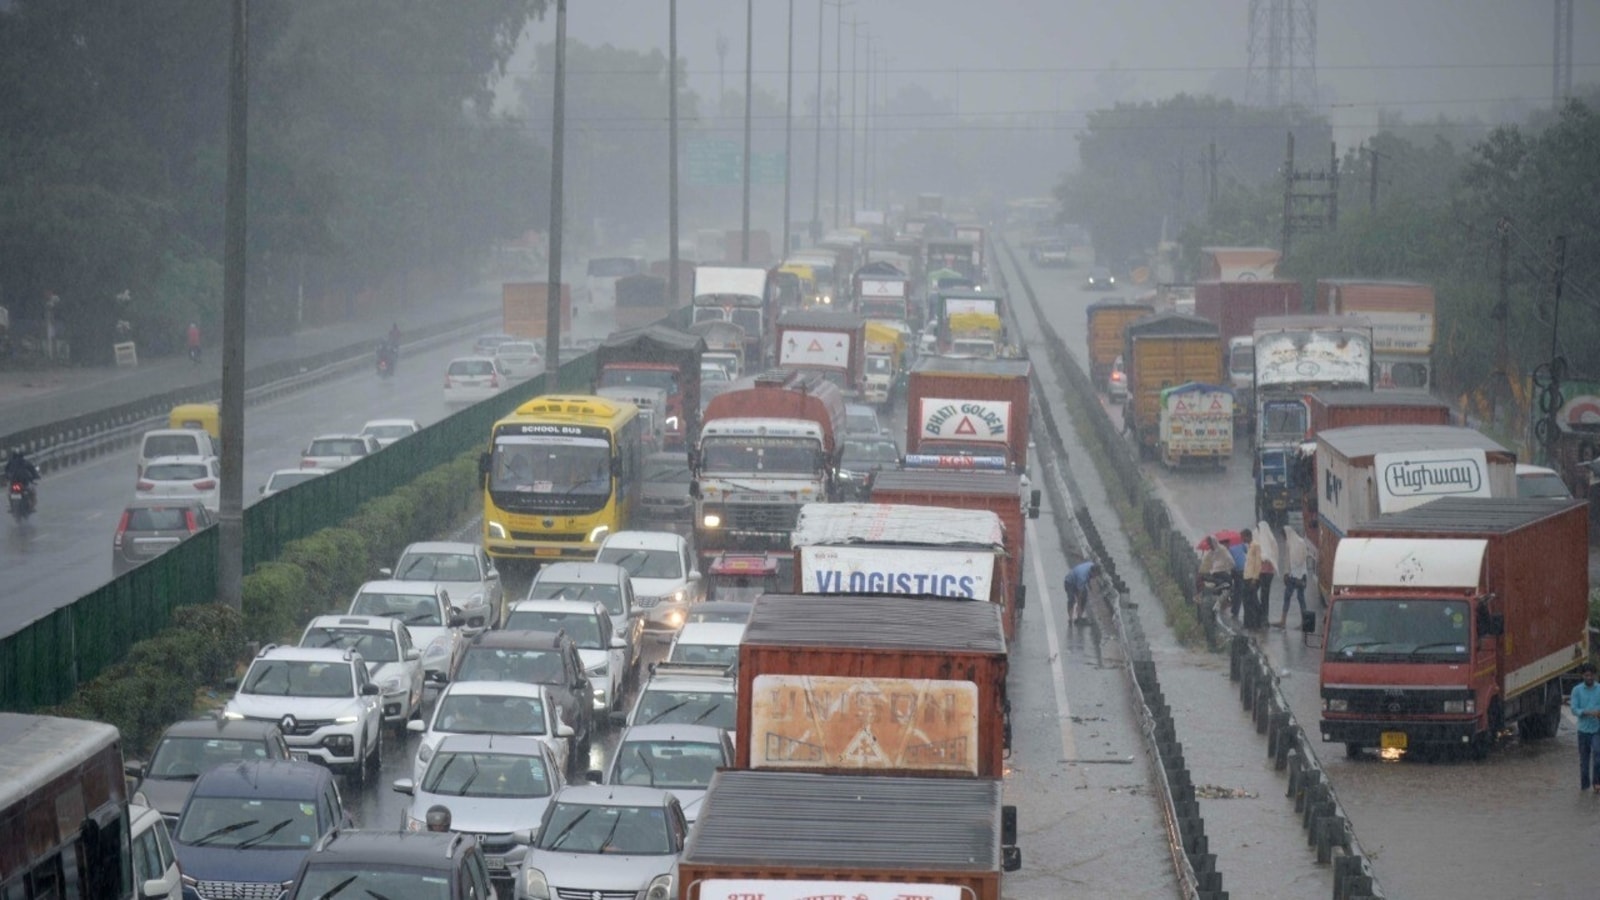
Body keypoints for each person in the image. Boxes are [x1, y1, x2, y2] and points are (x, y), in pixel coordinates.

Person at [1573, 663, 1600, 792]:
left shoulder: (1599, 689)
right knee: (1584, 762)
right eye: (1586, 675)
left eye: (1591, 675)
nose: (1589, 677)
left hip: (1597, 729)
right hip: (1583, 730)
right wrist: (1588, 712)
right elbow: (1574, 708)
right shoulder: (1577, 690)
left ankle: (1597, 783)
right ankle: (1584, 787)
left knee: (1598, 756)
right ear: (1582, 676)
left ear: (1594, 675)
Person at [1278, 528, 1310, 629]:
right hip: (1299, 575)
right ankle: (1303, 621)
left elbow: (1290, 560)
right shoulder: (1299, 542)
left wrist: (1287, 574)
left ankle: (1283, 621)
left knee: (1289, 598)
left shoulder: (1292, 544)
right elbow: (1302, 558)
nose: (1283, 538)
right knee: (1300, 598)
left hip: (1294, 576)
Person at [1253, 521, 1278, 629]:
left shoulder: (1262, 539)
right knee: (1264, 595)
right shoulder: (1270, 538)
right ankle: (1263, 616)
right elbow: (1275, 552)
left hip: (1263, 572)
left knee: (1260, 594)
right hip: (1269, 572)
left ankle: (1262, 616)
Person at [1241, 528, 1263, 628]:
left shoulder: (1256, 546)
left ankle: (1257, 623)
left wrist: (1255, 578)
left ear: (1248, 536)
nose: (1242, 539)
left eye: (1243, 537)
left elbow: (1258, 563)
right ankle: (1248, 623)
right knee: (1247, 601)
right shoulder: (1249, 547)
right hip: (1246, 577)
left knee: (1254, 601)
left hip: (1252, 578)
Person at [1228, 533, 1249, 621]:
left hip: (1235, 570)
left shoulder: (1229, 548)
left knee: (1237, 590)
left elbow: (1229, 561)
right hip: (1243, 570)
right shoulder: (1241, 544)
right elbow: (1246, 551)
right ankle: (1236, 610)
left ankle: (1235, 610)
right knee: (1240, 591)